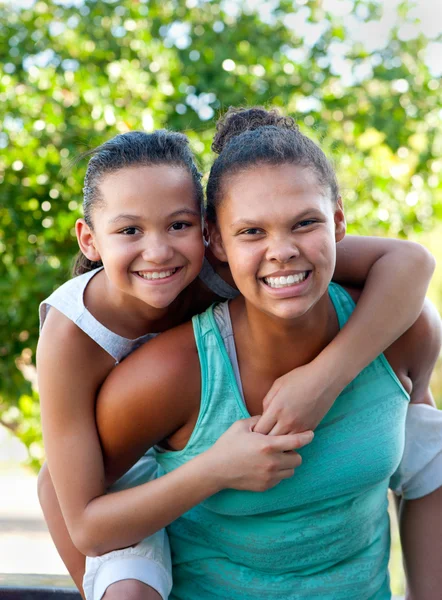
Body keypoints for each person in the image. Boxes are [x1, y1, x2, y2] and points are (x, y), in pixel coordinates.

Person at [37, 128, 436, 600]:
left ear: (205, 232)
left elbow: (411, 261)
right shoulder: (73, 337)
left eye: (178, 225)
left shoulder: (230, 264)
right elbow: (67, 501)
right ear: (89, 240)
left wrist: (323, 379)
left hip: (184, 429)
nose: (159, 250)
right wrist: (216, 468)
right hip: (119, 471)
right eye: (129, 231)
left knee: (429, 435)